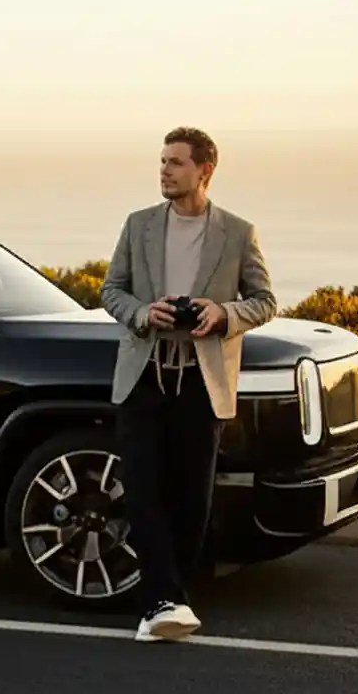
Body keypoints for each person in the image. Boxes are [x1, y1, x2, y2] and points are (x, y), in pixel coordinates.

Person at [100, 127, 277, 642]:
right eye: (162, 161)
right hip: (144, 375)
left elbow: (265, 301)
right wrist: (142, 313)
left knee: (192, 500)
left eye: (176, 162)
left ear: (205, 170)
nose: (164, 170)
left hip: (201, 382)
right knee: (142, 492)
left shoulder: (238, 232)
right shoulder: (138, 225)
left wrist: (223, 313)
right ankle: (162, 600)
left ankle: (171, 595)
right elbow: (112, 290)